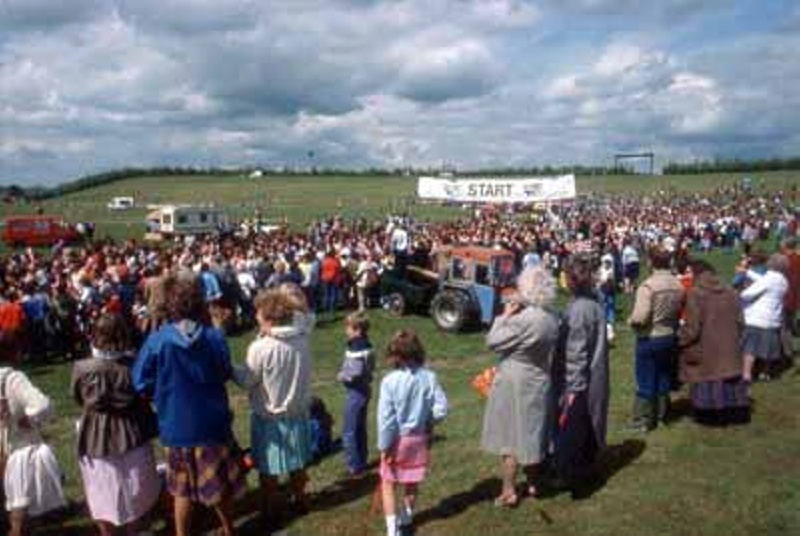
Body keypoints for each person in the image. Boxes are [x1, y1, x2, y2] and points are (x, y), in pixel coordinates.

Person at [133, 275, 245, 536]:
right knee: (217, 484)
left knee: (181, 488)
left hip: (176, 423)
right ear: (199, 305)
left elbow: (140, 381)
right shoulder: (214, 338)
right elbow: (225, 370)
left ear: (169, 307)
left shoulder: (158, 340)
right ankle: (229, 530)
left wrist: (161, 392)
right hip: (211, 421)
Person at [72, 313, 160, 535]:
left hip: (95, 435)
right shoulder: (134, 364)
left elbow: (78, 398)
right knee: (136, 485)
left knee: (101, 488)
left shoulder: (82, 368)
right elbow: (145, 393)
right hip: (132, 431)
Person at [236, 287, 314, 531]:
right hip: (298, 413)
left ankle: (270, 511)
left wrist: (228, 366)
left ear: (268, 316)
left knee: (268, 473)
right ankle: (301, 499)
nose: (255, 316)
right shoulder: (301, 337)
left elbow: (247, 380)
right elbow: (306, 319)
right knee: (298, 466)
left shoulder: (261, 347)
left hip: (271, 417)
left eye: (258, 312)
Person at [481, 266, 559, 506]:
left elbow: (492, 342)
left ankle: (508, 490)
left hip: (515, 381)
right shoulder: (552, 317)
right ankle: (534, 482)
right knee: (533, 434)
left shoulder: (524, 320)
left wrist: (504, 315)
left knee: (511, 438)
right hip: (539, 379)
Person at [378, 329, 448, 536]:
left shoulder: (389, 381)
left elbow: (386, 419)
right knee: (411, 480)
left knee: (388, 483)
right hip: (419, 439)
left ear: (394, 355)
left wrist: (384, 446)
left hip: (397, 440)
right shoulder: (430, 377)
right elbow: (442, 408)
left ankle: (393, 531)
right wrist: (428, 420)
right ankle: (407, 517)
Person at [0, 330, 65, 536]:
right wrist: (29, 418)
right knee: (19, 514)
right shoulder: (13, 378)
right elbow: (42, 406)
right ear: (15, 352)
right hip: (14, 447)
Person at [553, 255, 610, 489]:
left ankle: (574, 477)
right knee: (587, 428)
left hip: (580, 382)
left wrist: (573, 388)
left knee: (574, 432)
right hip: (595, 376)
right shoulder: (594, 305)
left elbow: (576, 353)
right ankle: (585, 468)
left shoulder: (578, 311)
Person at [678, 260, 750, 425]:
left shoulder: (695, 294)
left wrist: (680, 339)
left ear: (697, 274)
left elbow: (692, 329)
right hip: (730, 349)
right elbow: (742, 322)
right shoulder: (731, 292)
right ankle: (734, 412)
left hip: (707, 351)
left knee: (708, 380)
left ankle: (709, 414)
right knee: (730, 381)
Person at [627, 247, 683, 431]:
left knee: (645, 378)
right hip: (670, 335)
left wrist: (631, 321)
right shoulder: (678, 285)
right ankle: (662, 414)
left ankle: (642, 420)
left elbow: (640, 317)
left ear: (650, 262)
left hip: (650, 337)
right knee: (663, 375)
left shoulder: (648, 286)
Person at [739, 253, 789, 382]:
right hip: (773, 319)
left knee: (750, 349)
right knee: (767, 350)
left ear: (771, 264)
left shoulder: (769, 278)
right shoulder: (783, 280)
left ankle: (746, 374)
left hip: (757, 318)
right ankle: (764, 373)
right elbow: (763, 281)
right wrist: (747, 272)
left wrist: (742, 295)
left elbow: (749, 293)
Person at [336, 311, 374, 477]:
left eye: (348, 328)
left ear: (357, 329)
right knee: (359, 428)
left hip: (356, 391)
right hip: (364, 389)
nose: (346, 331)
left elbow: (355, 371)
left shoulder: (357, 348)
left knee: (349, 431)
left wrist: (342, 375)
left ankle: (354, 466)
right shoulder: (365, 344)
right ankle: (362, 460)